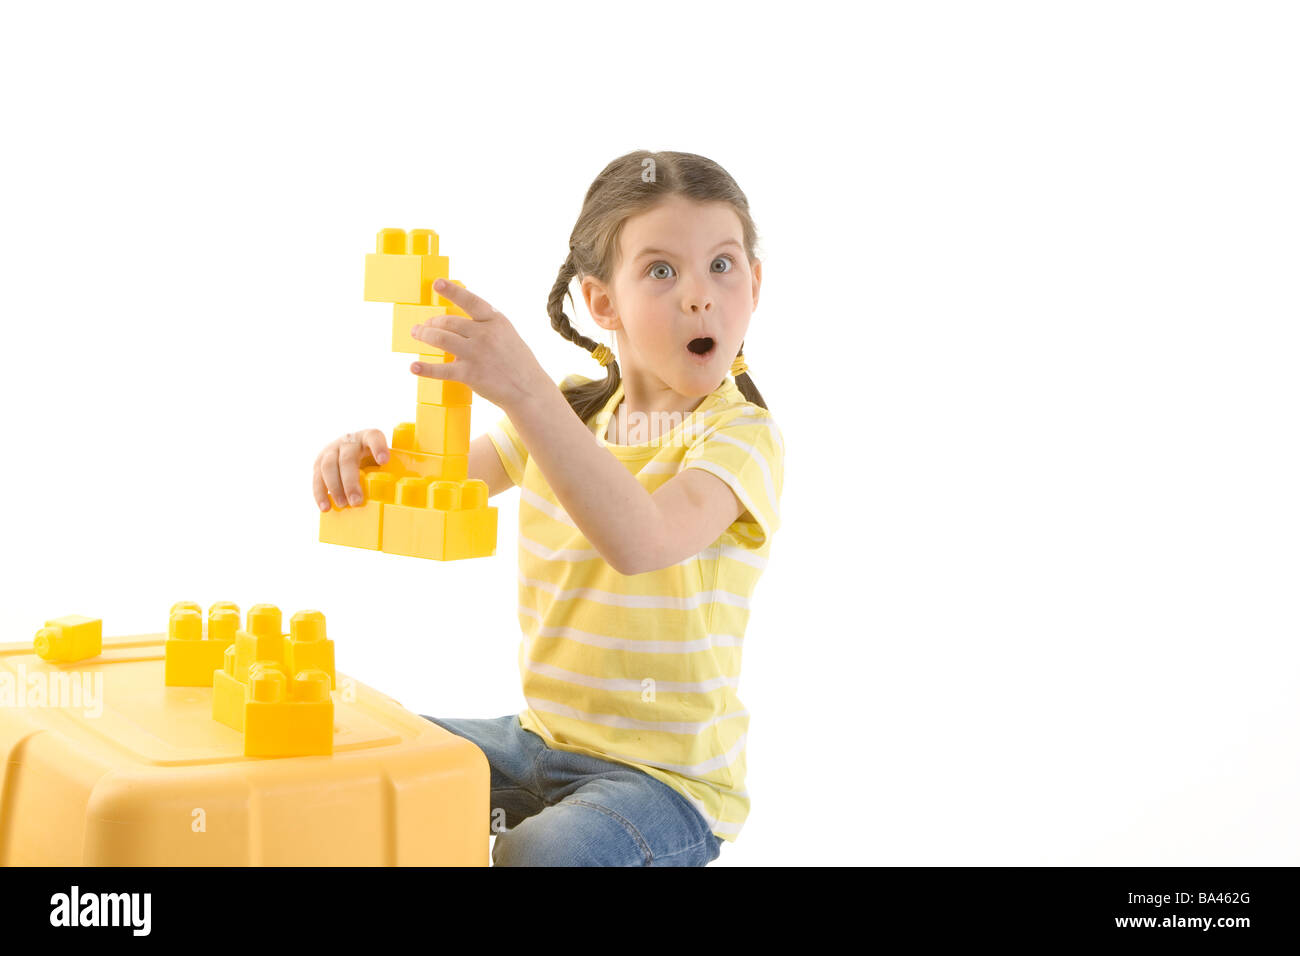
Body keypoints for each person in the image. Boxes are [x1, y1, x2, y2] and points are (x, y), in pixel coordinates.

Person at [311, 150, 784, 866]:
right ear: (602, 304)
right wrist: (361, 462)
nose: (699, 295)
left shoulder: (740, 438)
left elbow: (643, 539)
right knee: (355, 766)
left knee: (543, 856)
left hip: (664, 786)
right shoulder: (568, 411)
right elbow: (443, 485)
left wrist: (527, 393)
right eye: (662, 270)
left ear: (754, 282)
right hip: (535, 741)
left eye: (722, 265)